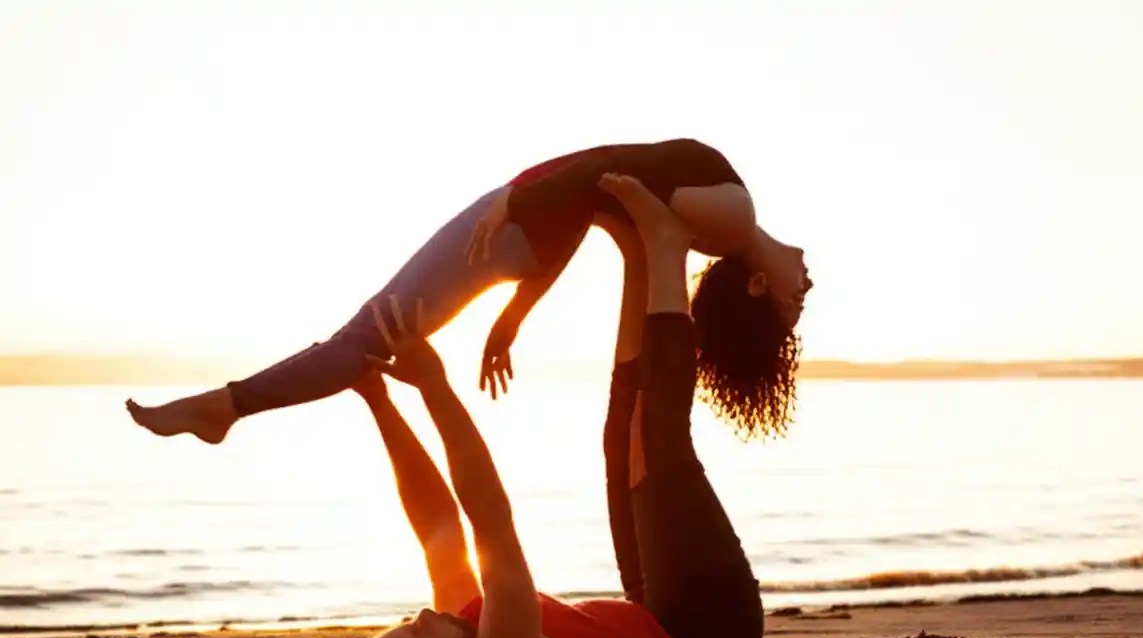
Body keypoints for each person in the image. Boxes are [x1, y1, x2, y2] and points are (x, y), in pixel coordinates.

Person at [349, 172, 766, 638]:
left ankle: (639, 255)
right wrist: (433, 386)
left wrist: (376, 401)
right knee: (659, 443)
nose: (422, 615)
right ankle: (666, 250)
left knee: (622, 435)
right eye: (415, 633)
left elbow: (437, 524)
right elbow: (490, 519)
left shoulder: (465, 637)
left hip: (651, 613)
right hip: (706, 632)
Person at [126, 139, 812, 443]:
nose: (806, 285)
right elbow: (600, 196)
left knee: (369, 337)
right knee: (369, 336)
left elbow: (599, 184)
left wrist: (515, 208)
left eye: (792, 301)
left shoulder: (729, 221)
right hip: (518, 225)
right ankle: (229, 407)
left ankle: (227, 408)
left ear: (756, 285)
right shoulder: (725, 213)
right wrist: (514, 307)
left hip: (514, 225)